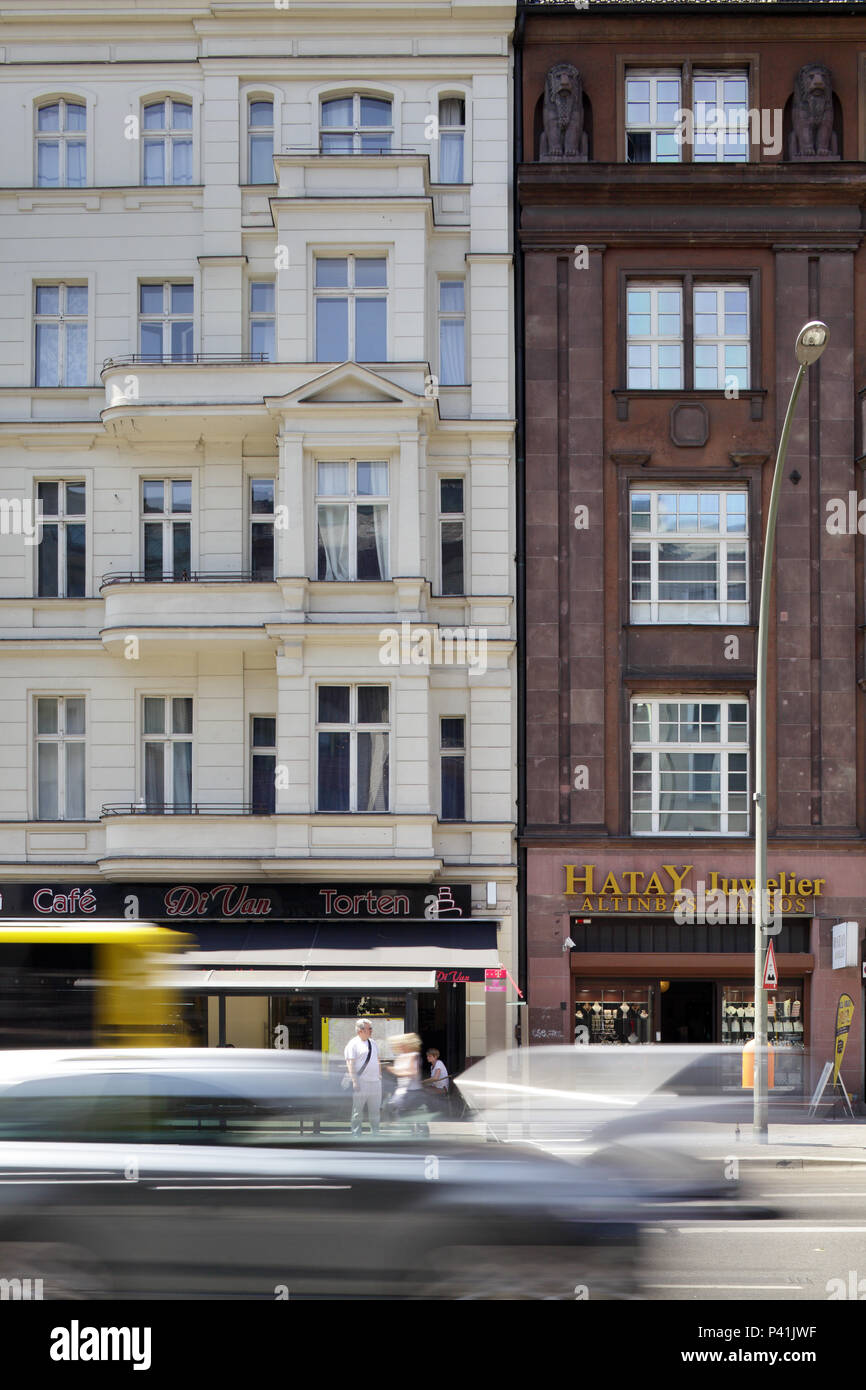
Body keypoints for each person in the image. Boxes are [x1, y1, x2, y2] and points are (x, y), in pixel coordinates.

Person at [344, 1018, 381, 1136]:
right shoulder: (353, 1044)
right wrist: (355, 1081)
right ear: (360, 1031)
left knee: (375, 1111)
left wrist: (379, 1076)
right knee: (357, 1111)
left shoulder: (373, 1042)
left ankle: (375, 1134)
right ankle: (356, 1134)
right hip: (362, 1082)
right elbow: (350, 1064)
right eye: (369, 1029)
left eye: (371, 1028)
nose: (371, 1031)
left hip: (375, 1082)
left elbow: (377, 1060)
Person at [387, 1033, 427, 1130]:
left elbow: (413, 1071)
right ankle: (413, 1129)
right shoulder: (400, 1057)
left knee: (400, 1112)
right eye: (399, 1044)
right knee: (392, 1109)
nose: (400, 1046)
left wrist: (395, 1070)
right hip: (402, 1092)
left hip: (412, 1092)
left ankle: (417, 1128)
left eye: (402, 1044)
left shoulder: (414, 1055)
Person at [425, 1048, 450, 1115]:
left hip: (442, 1088)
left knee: (424, 1091)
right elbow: (433, 1080)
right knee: (423, 1088)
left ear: (435, 1056)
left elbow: (435, 1078)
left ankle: (434, 1108)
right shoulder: (432, 1066)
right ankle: (433, 1107)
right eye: (427, 1056)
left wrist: (423, 1081)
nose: (427, 1058)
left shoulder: (439, 1063)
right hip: (437, 1087)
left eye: (429, 1056)